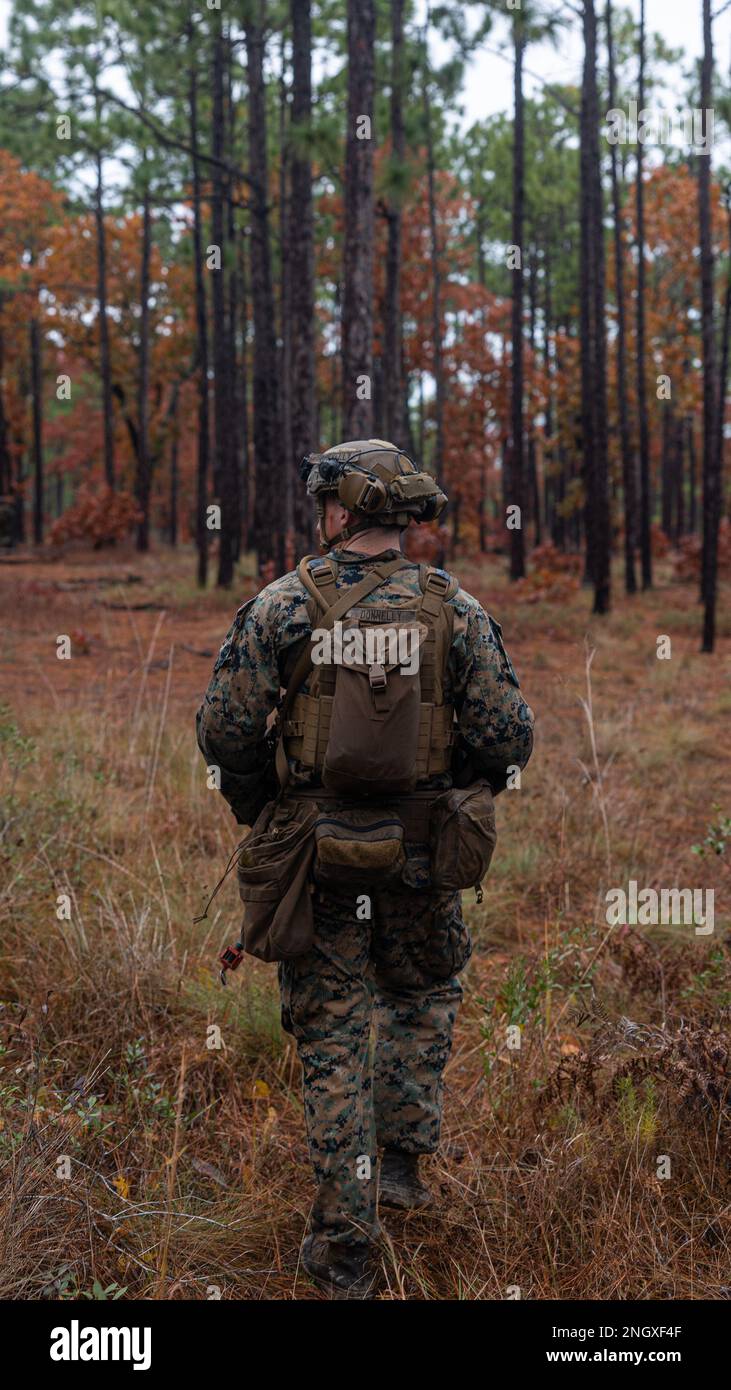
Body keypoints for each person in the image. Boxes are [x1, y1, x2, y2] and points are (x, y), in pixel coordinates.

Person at [197, 439, 534, 1298]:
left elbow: (227, 732)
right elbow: (506, 737)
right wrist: (454, 780)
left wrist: (259, 799)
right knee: (420, 995)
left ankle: (345, 1242)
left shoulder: (280, 605)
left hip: (316, 854)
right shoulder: (452, 607)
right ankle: (401, 1171)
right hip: (421, 854)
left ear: (338, 511)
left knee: (334, 1028)